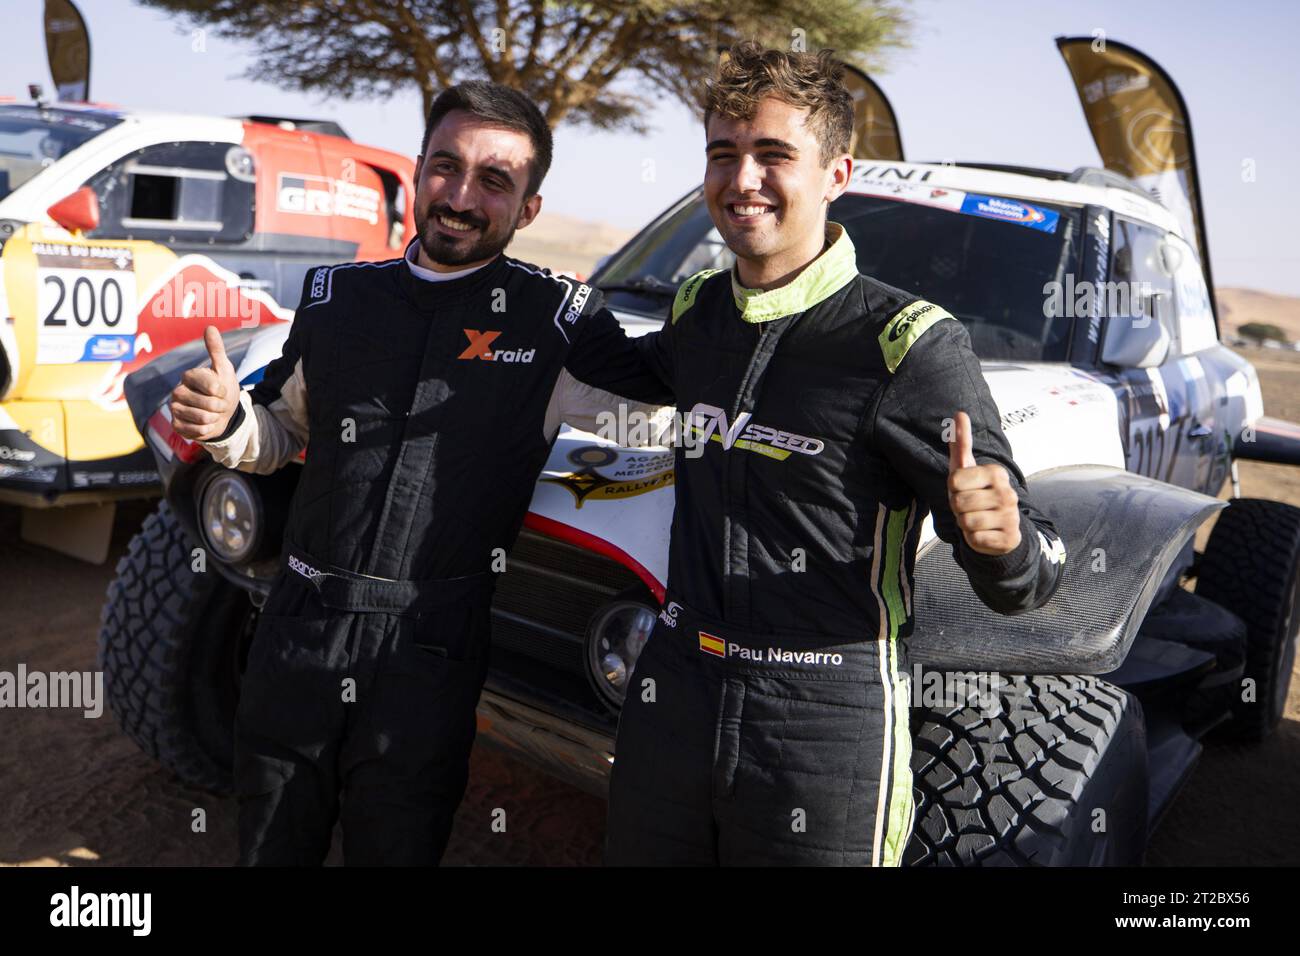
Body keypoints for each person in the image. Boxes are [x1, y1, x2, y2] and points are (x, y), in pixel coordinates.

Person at [167, 81, 671, 865]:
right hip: (298, 629)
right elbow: (277, 435)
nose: (462, 197)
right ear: (418, 170)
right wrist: (226, 423)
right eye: (447, 166)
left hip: (427, 654)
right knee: (269, 849)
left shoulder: (557, 322)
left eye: (495, 181)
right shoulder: (338, 298)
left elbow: (671, 415)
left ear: (528, 209)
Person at [606, 42, 1068, 866]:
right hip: (673, 684)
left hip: (823, 714)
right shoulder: (697, 311)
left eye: (773, 155)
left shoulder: (908, 344)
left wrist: (1004, 544)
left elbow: (1026, 569)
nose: (741, 179)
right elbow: (601, 374)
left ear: (837, 173)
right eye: (723, 154)